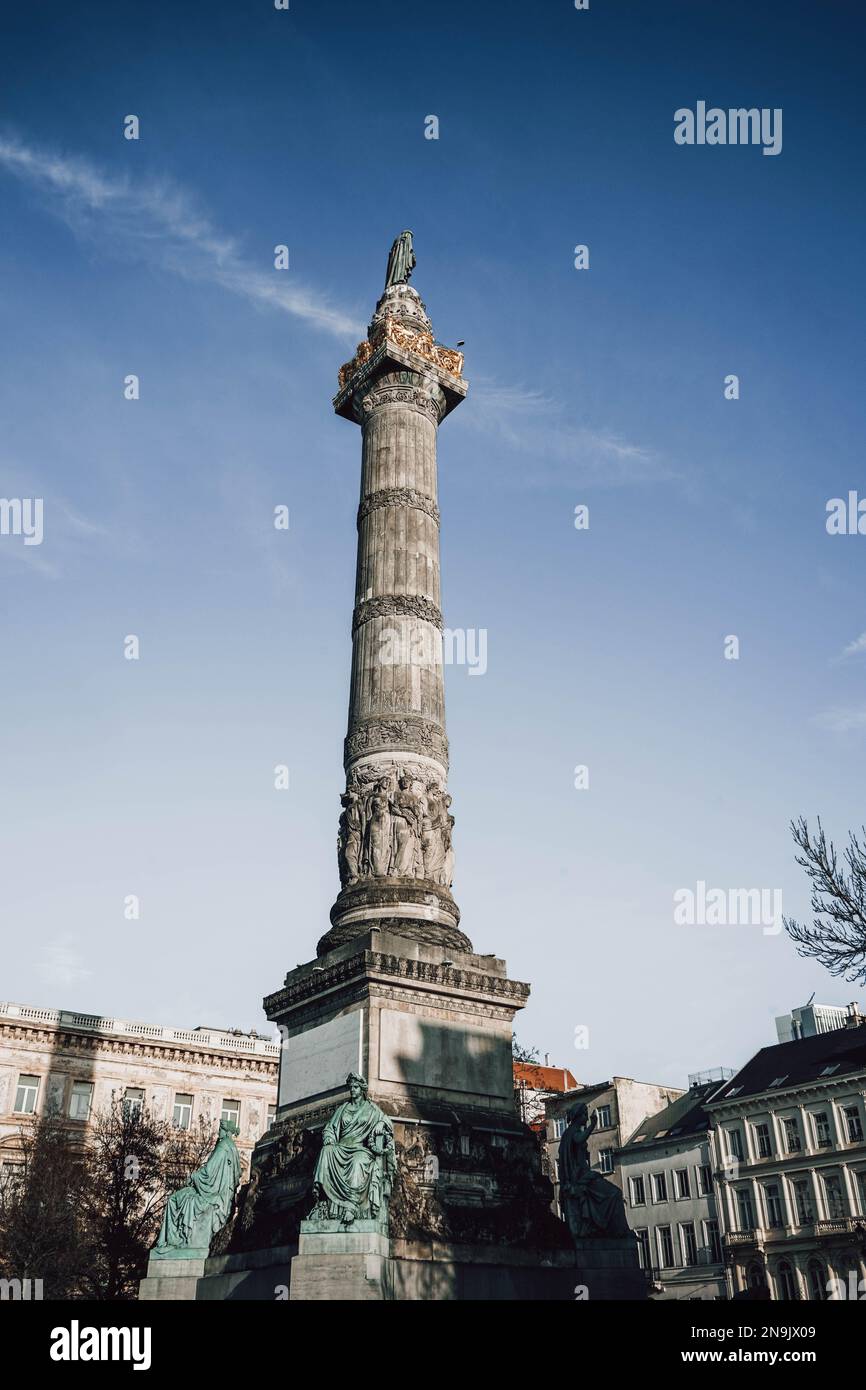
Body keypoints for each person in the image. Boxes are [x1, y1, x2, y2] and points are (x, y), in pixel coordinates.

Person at [311, 1074, 395, 1224]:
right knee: (326, 1151)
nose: (352, 1090)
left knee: (357, 1163)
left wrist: (381, 1123)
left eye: (355, 1087)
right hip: (341, 1146)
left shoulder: (371, 1109)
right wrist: (329, 1139)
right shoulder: (343, 1108)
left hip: (360, 1149)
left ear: (362, 1089)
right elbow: (330, 1128)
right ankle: (322, 1202)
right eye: (351, 1087)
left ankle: (352, 1206)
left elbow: (387, 1122)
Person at [154, 1118, 241, 1253]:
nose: (218, 1132)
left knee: (173, 1199)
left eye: (220, 1129)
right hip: (221, 1196)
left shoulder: (223, 1146)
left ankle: (174, 1240)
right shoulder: (232, 1147)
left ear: (226, 1131)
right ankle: (172, 1240)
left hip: (212, 1195)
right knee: (181, 1197)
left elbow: (208, 1172)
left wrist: (193, 1176)